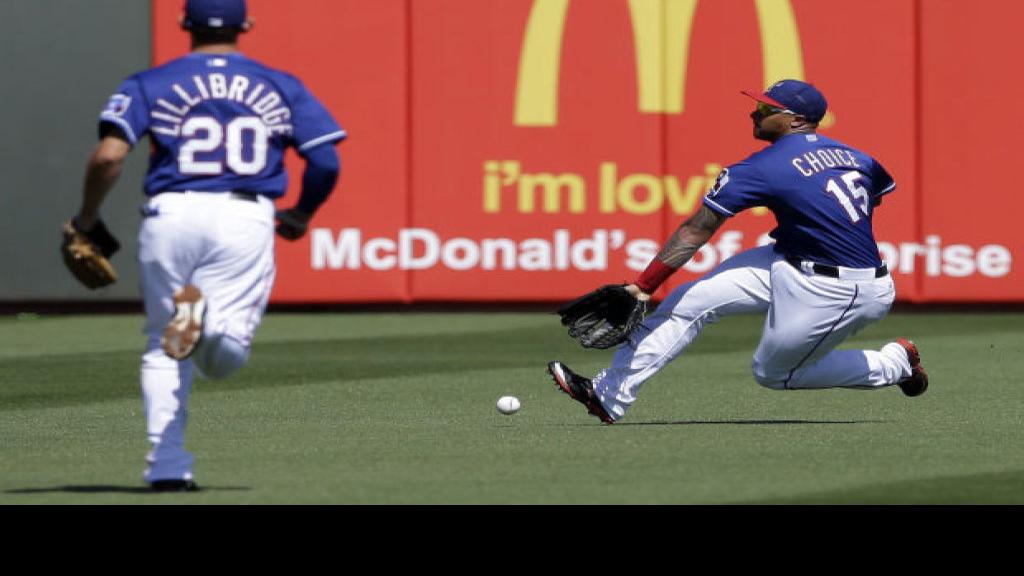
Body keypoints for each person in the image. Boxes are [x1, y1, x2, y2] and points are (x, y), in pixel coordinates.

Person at [71, 0, 346, 490]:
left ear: (184, 25)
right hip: (243, 214)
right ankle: (211, 325)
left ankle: (168, 467)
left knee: (162, 346)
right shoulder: (279, 84)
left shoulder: (149, 82)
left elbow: (109, 156)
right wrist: (302, 213)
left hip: (170, 213)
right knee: (223, 356)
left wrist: (88, 217)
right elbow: (324, 161)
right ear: (246, 26)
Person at [548, 79, 928, 424]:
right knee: (689, 302)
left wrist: (644, 285)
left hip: (840, 290)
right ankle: (608, 395)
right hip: (789, 258)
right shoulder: (859, 157)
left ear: (795, 120)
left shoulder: (763, 166)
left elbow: (697, 229)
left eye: (766, 109)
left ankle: (894, 363)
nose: (755, 112)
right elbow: (867, 201)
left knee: (774, 374)